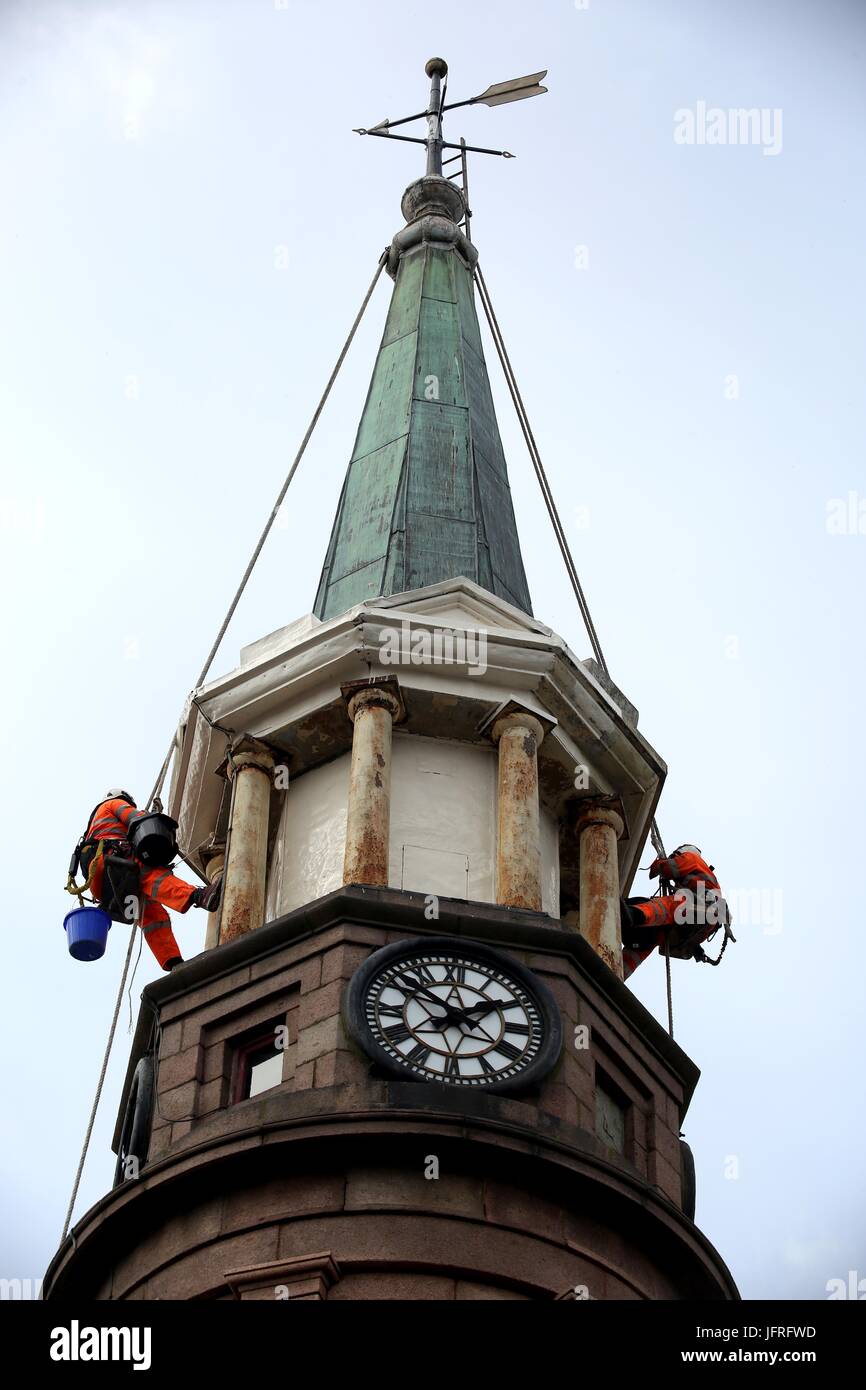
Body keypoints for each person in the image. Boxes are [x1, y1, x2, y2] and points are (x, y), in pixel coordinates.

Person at [76, 790, 221, 971]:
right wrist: (152, 816)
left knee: (151, 912)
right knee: (152, 874)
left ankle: (172, 961)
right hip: (112, 864)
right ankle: (198, 896)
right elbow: (135, 818)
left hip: (102, 885)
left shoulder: (92, 828)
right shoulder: (112, 804)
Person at [621, 844, 727, 980]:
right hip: (699, 926)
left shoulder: (691, 858)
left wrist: (659, 863)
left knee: (670, 905)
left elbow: (669, 868)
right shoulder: (702, 876)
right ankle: (617, 973)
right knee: (654, 934)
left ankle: (637, 914)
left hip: (703, 907)